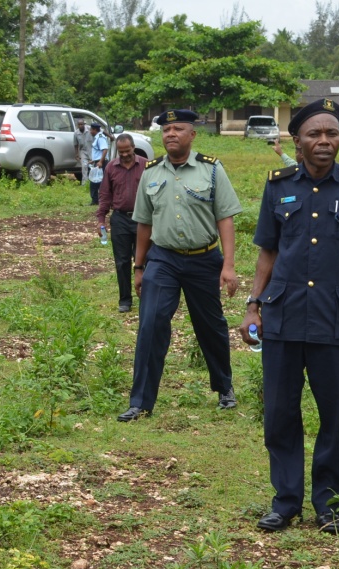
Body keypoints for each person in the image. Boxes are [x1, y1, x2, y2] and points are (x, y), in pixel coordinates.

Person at [241, 99, 339, 535]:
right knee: (280, 415)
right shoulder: (278, 185)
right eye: (314, 134)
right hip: (283, 315)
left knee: (334, 416)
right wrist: (254, 305)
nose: (325, 142)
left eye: (333, 133)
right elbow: (268, 250)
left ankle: (331, 505)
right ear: (296, 142)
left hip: (336, 318)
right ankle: (285, 503)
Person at [118, 109, 242, 423]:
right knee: (150, 324)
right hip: (164, 259)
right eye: (166, 129)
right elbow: (143, 224)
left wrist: (228, 266)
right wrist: (139, 267)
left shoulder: (212, 170)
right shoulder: (152, 171)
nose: (171, 134)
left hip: (204, 258)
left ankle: (224, 388)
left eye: (177, 129)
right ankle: (140, 403)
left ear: (192, 135)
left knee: (210, 326)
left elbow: (225, 219)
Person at [95, 134, 145, 313]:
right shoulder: (111, 167)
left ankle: (146, 297)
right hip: (120, 219)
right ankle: (125, 300)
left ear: (134, 148)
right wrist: (101, 219)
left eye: (128, 151)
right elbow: (105, 195)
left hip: (143, 220)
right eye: (121, 151)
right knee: (122, 262)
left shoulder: (147, 165)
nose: (124, 154)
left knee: (144, 260)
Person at [88, 123, 108, 205]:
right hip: (98, 162)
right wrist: (94, 160)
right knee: (96, 182)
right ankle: (96, 200)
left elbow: (105, 150)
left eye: (91, 130)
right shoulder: (98, 137)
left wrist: (100, 161)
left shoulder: (100, 138)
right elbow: (99, 151)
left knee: (97, 182)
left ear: (95, 130)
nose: (90, 131)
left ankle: (97, 200)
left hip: (101, 163)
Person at [74, 118, 89, 189]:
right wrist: (77, 154)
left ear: (84, 124)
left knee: (93, 167)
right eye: (79, 125)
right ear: (77, 125)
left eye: (81, 124)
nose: (80, 126)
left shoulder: (89, 129)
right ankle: (84, 184)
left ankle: (94, 183)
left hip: (91, 150)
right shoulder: (76, 133)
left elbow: (100, 132)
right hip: (83, 151)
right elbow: (76, 145)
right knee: (84, 166)